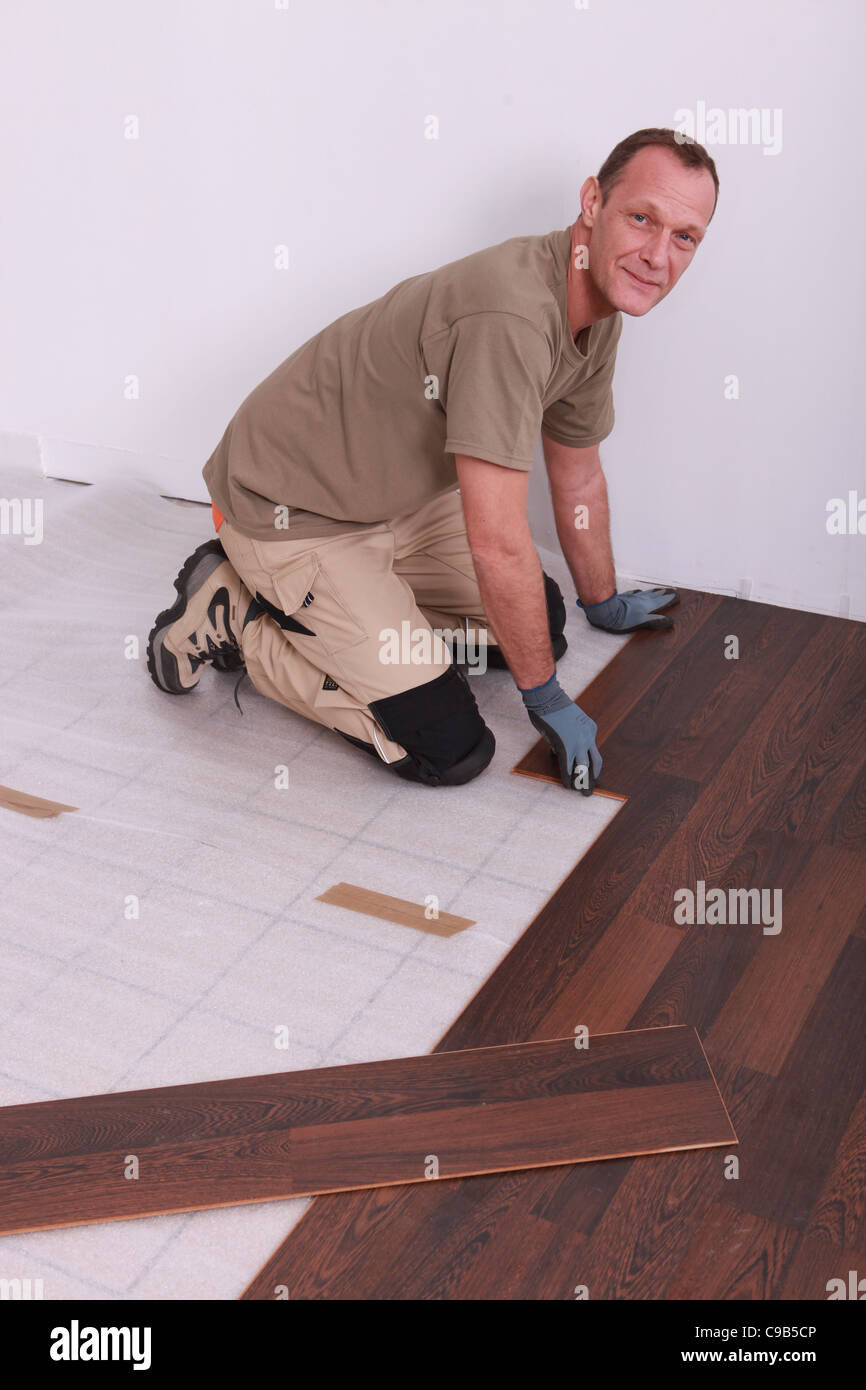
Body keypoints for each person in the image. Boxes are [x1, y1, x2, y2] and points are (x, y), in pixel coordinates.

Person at [147, 127, 718, 792]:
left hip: (397, 502)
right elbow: (497, 544)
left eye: (685, 237)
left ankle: (356, 620)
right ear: (593, 202)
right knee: (449, 746)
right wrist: (548, 701)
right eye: (642, 218)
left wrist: (605, 600)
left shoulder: (596, 308)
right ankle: (238, 616)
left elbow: (579, 472)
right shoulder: (512, 315)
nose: (657, 255)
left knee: (543, 625)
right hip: (290, 508)